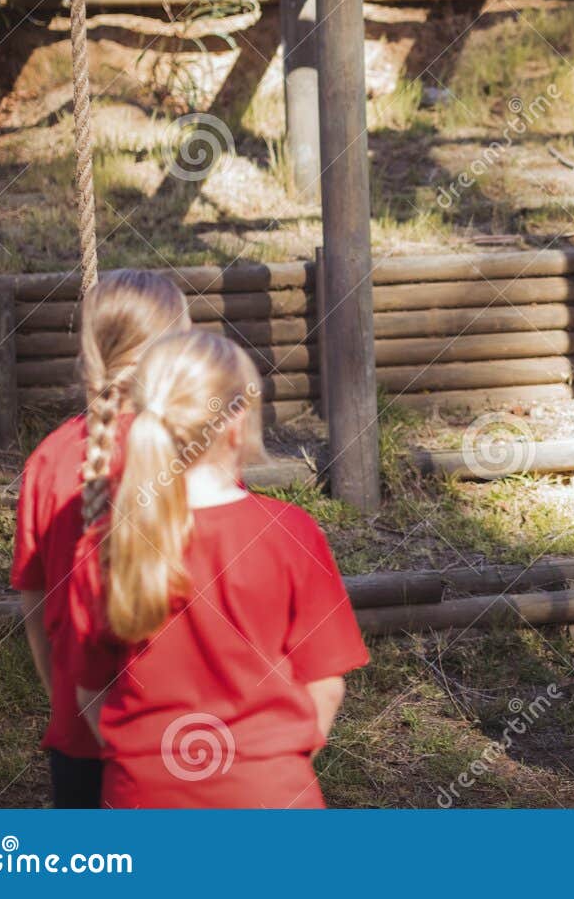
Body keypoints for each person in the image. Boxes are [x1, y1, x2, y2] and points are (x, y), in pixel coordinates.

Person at [68, 331, 368, 808]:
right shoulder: (291, 533)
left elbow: (90, 692)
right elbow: (325, 688)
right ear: (236, 421)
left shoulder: (101, 545)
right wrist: (270, 766)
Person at [12, 269, 189, 808]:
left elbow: (36, 604)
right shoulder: (195, 459)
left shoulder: (48, 459)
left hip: (80, 736)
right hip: (185, 734)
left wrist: (64, 694)